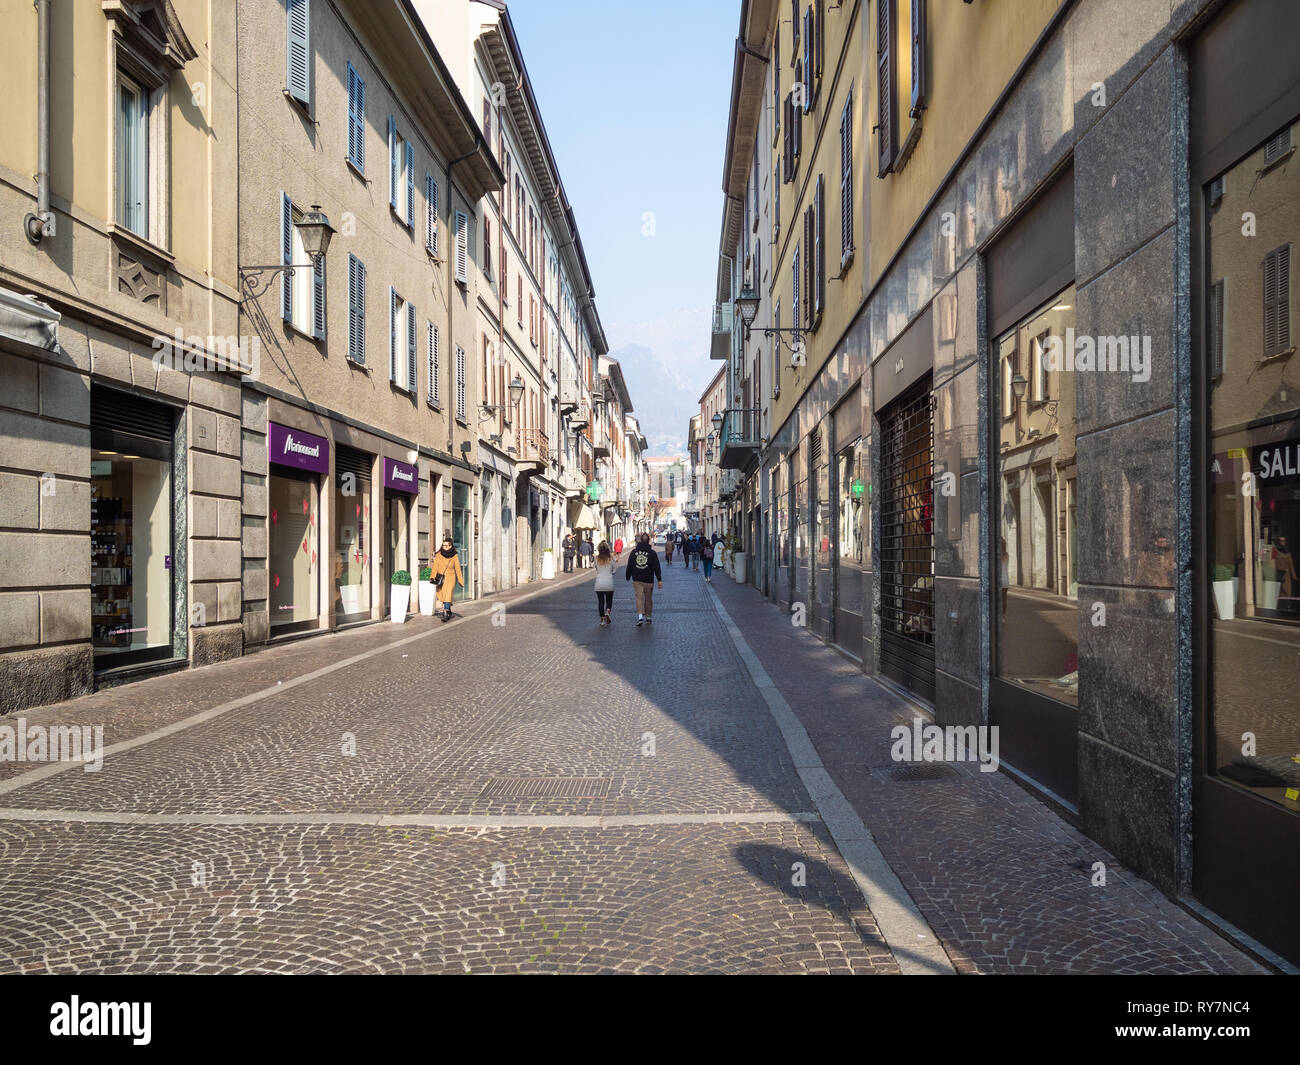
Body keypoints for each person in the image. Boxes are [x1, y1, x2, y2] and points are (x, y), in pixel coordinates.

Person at [625, 531, 663, 626]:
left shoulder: (634, 552)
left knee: (639, 598)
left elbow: (630, 565)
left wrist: (628, 575)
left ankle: (640, 617)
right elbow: (656, 566)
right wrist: (659, 579)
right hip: (648, 579)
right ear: (649, 541)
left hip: (637, 578)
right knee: (648, 598)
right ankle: (648, 617)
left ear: (640, 540)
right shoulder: (652, 553)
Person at [431, 535, 463, 622]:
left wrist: (460, 580)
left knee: (448, 594)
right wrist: (432, 577)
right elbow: (435, 567)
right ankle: (448, 610)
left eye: (446, 545)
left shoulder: (454, 555)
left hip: (451, 577)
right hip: (440, 578)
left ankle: (445, 613)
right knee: (442, 596)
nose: (444, 547)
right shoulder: (438, 555)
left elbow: (458, 568)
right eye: (443, 545)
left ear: (450, 546)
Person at [594, 542, 615, 625]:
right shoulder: (611, 558)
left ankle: (602, 619)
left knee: (601, 601)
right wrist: (610, 572)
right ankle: (607, 612)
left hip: (599, 583)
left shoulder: (596, 559)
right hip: (609, 582)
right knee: (609, 600)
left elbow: (595, 567)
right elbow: (615, 570)